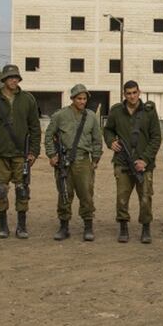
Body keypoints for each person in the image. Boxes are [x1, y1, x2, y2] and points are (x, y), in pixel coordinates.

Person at [0, 64, 41, 239]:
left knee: (22, 189)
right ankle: (3, 226)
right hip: (0, 154)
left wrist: (34, 151)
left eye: (16, 77)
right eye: (10, 77)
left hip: (21, 154)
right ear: (4, 80)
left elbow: (35, 128)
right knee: (0, 190)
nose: (13, 80)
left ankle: (21, 226)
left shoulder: (28, 100)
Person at [104, 80, 162, 244]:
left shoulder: (149, 111)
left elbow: (156, 137)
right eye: (128, 93)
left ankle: (145, 228)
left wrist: (145, 159)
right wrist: (110, 141)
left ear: (139, 92)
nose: (132, 96)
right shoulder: (116, 111)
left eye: (134, 92)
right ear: (124, 94)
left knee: (145, 197)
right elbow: (108, 129)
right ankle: (123, 227)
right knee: (122, 197)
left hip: (144, 164)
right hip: (122, 162)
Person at [45, 83, 103, 241]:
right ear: (72, 99)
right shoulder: (60, 116)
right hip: (64, 161)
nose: (82, 101)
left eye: (84, 98)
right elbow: (49, 135)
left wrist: (96, 158)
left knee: (86, 194)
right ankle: (64, 227)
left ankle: (88, 227)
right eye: (79, 98)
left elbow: (97, 139)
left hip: (83, 160)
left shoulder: (91, 116)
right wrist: (52, 155)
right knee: (64, 193)